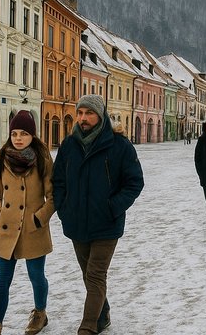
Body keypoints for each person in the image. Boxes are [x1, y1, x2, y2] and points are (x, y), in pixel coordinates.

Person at [53, 95, 144, 335]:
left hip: (106, 224)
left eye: (88, 113)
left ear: (100, 115)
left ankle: (88, 327)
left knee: (95, 274)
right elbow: (58, 181)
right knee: (88, 275)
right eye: (80, 113)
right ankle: (102, 315)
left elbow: (134, 182)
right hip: (76, 222)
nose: (83, 118)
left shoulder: (119, 145)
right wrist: (64, 208)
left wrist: (113, 207)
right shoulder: (68, 145)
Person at [0, 110, 54, 335]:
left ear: (32, 135)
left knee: (36, 277)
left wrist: (39, 218)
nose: (18, 138)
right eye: (14, 133)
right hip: (7, 229)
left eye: (23, 133)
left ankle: (40, 313)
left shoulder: (42, 159)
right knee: (0, 282)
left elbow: (54, 197)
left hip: (33, 229)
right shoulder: (3, 158)